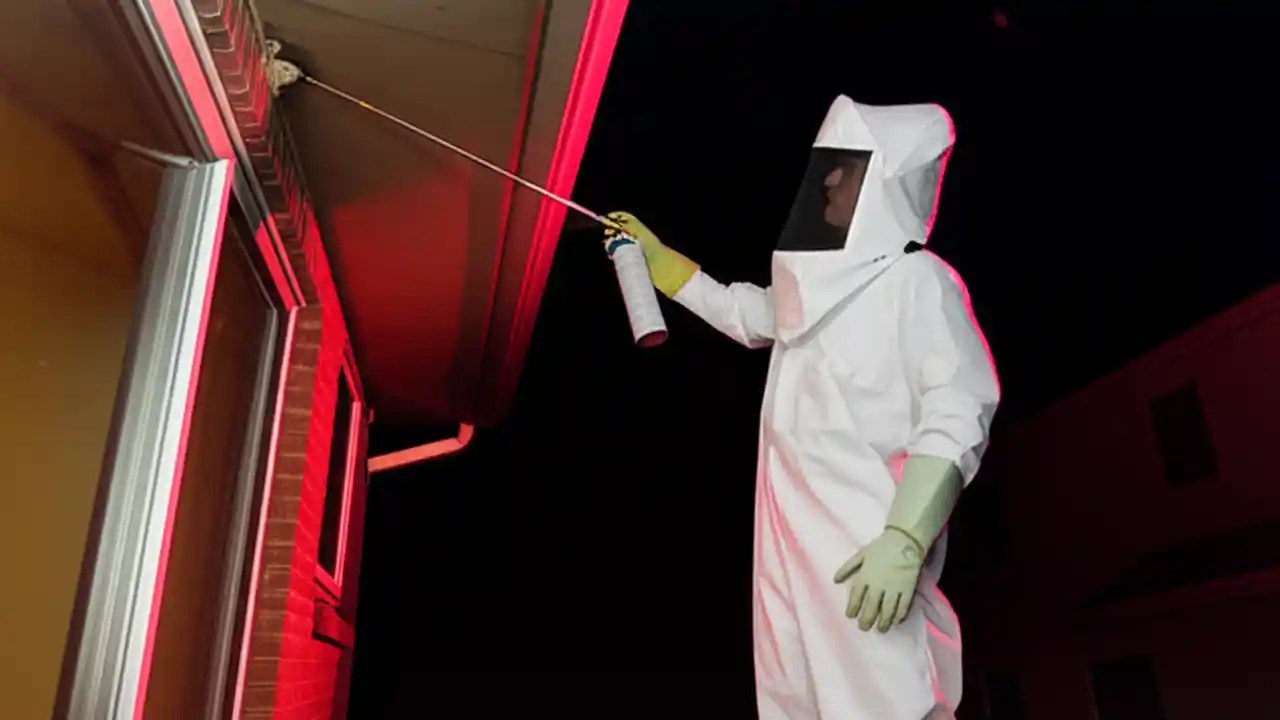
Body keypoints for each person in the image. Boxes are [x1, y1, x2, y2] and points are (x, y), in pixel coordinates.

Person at [603, 96, 1000, 719]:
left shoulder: (918, 282)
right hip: (790, 562)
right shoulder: (809, 298)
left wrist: (903, 539)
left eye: (848, 165)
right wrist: (658, 260)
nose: (831, 179)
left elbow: (960, 406)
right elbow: (741, 312)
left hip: (866, 565)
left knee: (890, 704)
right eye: (829, 165)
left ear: (886, 184)